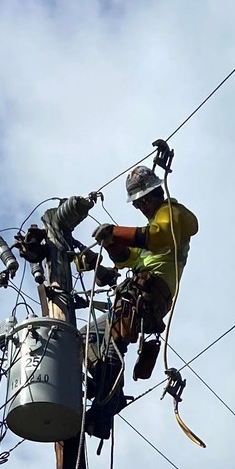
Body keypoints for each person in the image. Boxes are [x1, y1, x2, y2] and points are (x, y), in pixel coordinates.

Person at [92, 162, 199, 386]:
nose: (142, 207)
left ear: (156, 192)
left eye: (144, 200)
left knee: (109, 339)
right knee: (89, 338)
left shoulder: (173, 215)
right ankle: (103, 391)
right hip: (137, 295)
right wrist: (111, 243)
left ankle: (106, 398)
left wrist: (116, 232)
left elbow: (159, 236)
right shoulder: (148, 233)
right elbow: (127, 259)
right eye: (137, 204)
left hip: (150, 294)